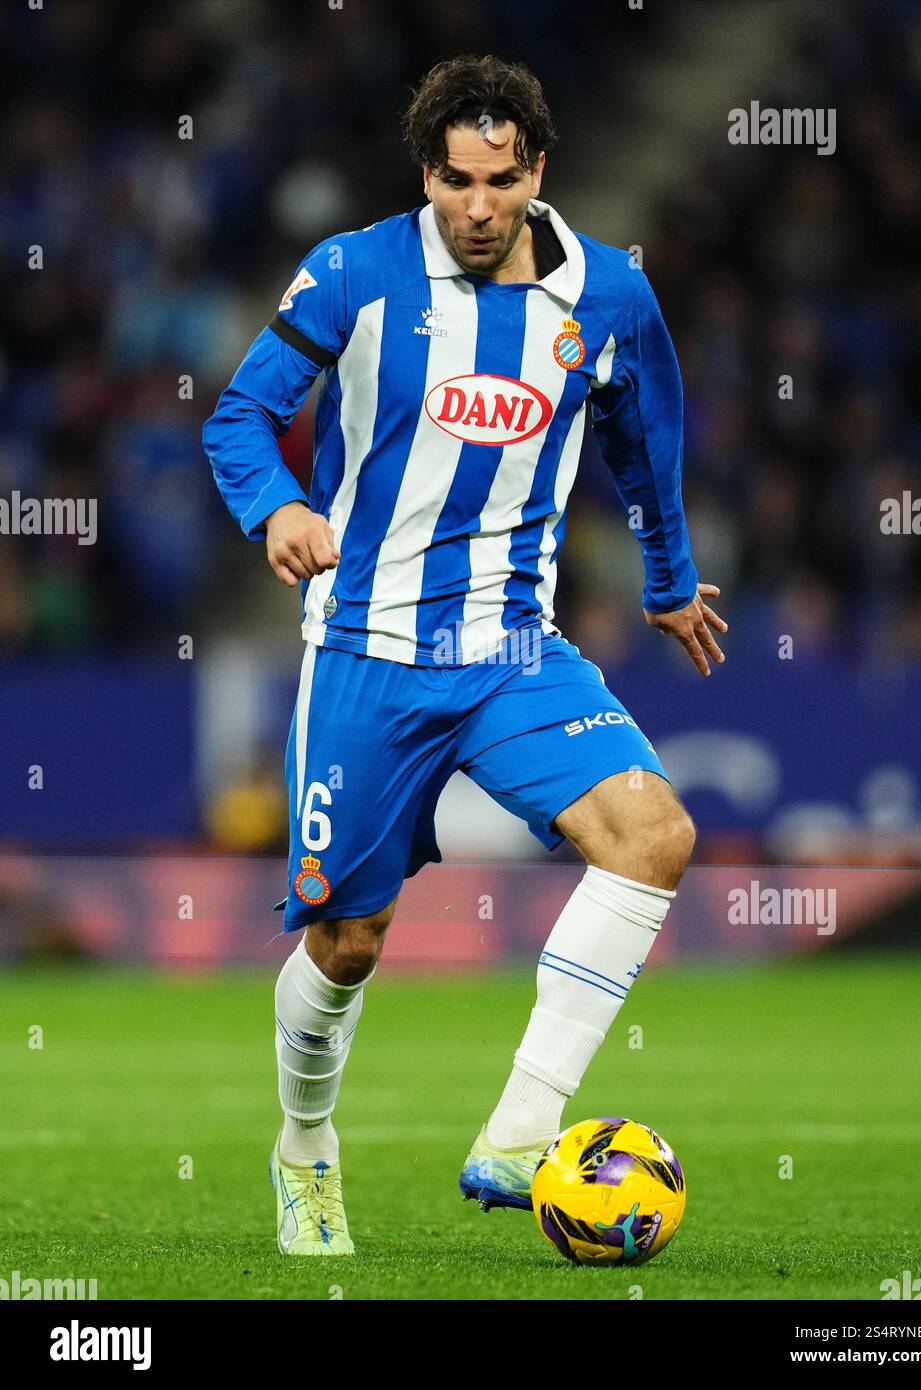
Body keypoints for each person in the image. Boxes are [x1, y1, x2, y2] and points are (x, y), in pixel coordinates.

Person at [202, 54, 726, 1256]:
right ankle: (306, 1145)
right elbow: (237, 415)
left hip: (509, 650)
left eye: (499, 180)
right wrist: (278, 508)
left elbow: (646, 441)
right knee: (346, 945)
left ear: (538, 170)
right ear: (425, 173)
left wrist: (663, 582)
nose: (476, 207)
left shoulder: (609, 295)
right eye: (453, 180)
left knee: (654, 837)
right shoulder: (356, 271)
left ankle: (519, 1131)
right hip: (368, 646)